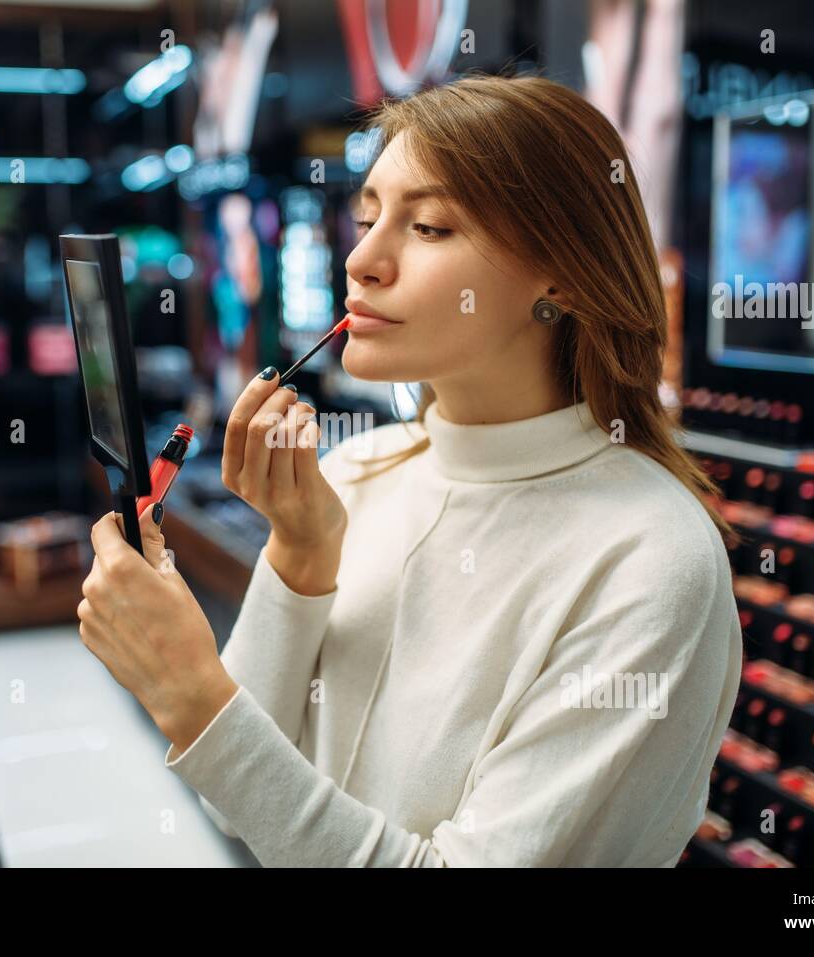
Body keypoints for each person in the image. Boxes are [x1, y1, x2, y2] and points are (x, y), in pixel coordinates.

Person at [77, 74, 742, 867]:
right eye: (366, 218)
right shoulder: (356, 472)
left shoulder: (650, 559)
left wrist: (191, 690)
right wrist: (300, 553)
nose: (361, 259)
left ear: (560, 274)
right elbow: (241, 801)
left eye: (427, 227)